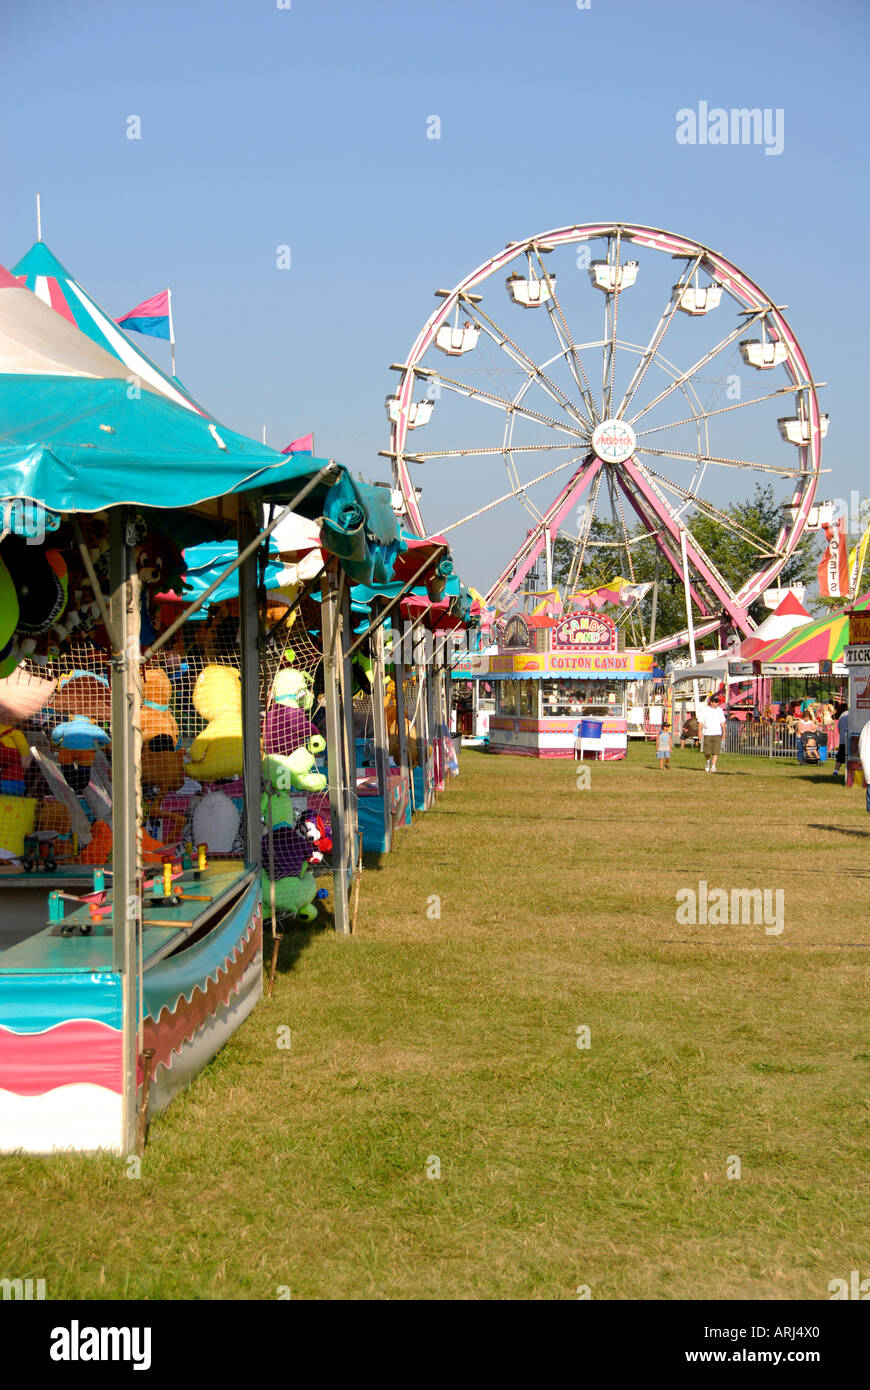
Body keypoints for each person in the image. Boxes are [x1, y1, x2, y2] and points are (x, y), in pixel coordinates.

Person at [700, 694, 726, 773]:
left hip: (717, 733)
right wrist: (699, 733)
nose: (715, 703)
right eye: (714, 702)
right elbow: (700, 722)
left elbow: (723, 722)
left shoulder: (720, 710)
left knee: (716, 750)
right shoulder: (705, 710)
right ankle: (708, 761)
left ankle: (713, 766)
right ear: (710, 702)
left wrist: (724, 733)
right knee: (707, 751)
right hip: (707, 733)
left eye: (717, 702)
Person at [832, 702, 848, 778]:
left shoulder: (842, 715)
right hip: (850, 739)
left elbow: (839, 728)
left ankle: (835, 771)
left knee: (840, 757)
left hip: (842, 739)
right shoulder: (851, 714)